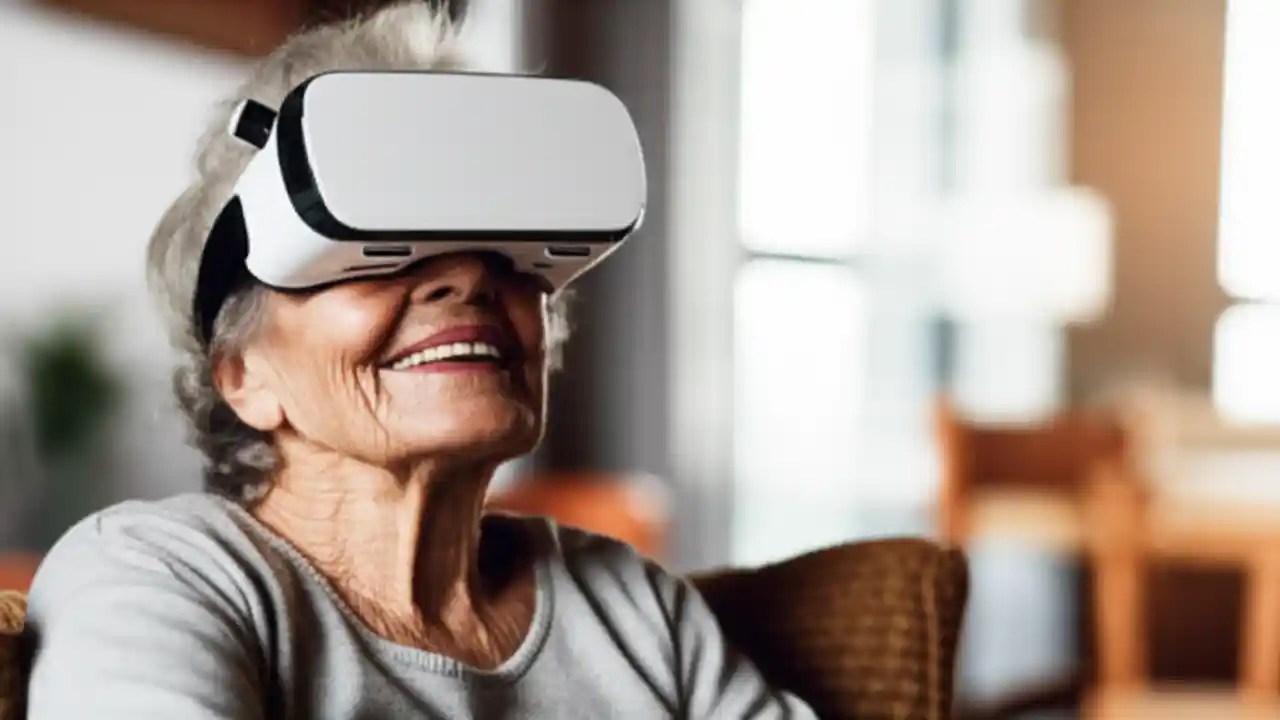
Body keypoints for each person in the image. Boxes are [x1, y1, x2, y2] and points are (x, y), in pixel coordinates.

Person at [21, 3, 817, 718]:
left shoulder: (632, 606)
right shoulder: (162, 575)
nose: (472, 275)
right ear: (244, 374)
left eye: (503, 252)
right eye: (377, 252)